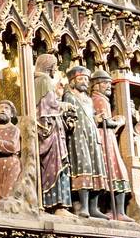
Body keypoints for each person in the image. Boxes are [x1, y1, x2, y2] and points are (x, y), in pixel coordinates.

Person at [63, 65, 107, 219]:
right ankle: (83, 206)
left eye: (86, 80)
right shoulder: (69, 97)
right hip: (78, 135)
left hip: (92, 135)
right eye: (80, 79)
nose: (84, 82)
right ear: (73, 81)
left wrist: (98, 119)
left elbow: (91, 116)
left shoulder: (88, 99)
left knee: (96, 166)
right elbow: (67, 114)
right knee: (84, 165)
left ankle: (94, 207)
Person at [35, 54, 74, 215]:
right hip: (49, 129)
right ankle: (56, 204)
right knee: (56, 165)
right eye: (56, 66)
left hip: (53, 127)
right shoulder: (43, 80)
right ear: (49, 66)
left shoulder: (40, 80)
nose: (56, 69)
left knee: (58, 164)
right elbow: (49, 105)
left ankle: (59, 205)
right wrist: (65, 105)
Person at [91, 69, 132, 221]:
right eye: (105, 83)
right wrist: (117, 122)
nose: (108, 86)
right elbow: (101, 121)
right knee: (113, 170)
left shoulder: (102, 99)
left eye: (109, 84)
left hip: (108, 138)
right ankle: (115, 211)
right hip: (103, 139)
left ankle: (117, 211)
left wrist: (113, 121)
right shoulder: (97, 99)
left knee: (116, 171)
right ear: (95, 85)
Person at [0, 100, 21, 204]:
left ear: (11, 114)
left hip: (11, 164)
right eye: (0, 107)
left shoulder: (14, 129)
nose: (3, 110)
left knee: (7, 197)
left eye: (6, 108)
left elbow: (12, 147)